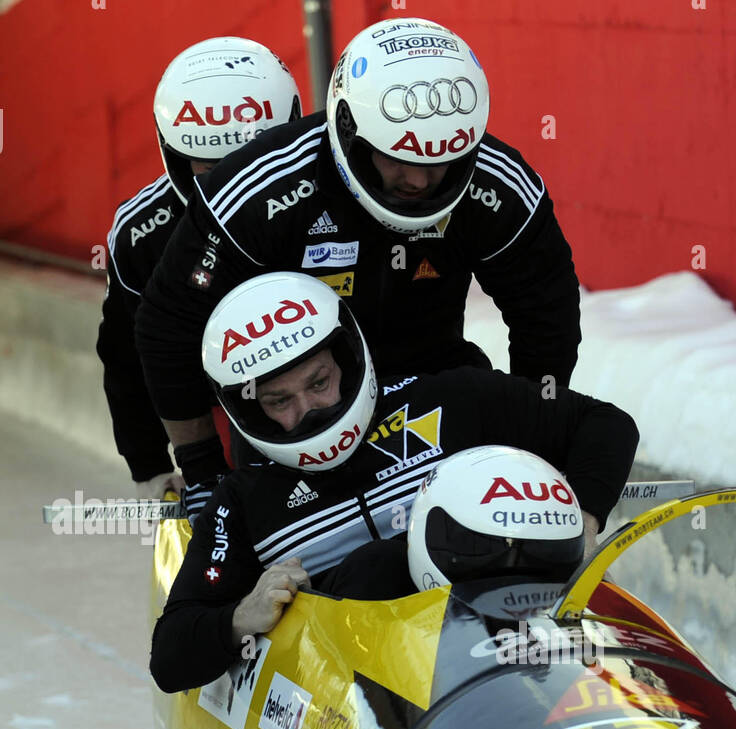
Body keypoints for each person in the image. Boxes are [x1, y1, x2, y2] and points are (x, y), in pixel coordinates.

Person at [135, 17, 582, 509]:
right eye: (398, 159)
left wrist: (536, 440)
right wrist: (202, 473)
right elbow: (168, 322)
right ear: (349, 129)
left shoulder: (501, 187)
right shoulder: (259, 189)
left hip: (434, 391)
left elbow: (547, 315)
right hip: (297, 419)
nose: (418, 180)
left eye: (441, 161)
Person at [149, 273, 636, 694]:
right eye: (279, 401)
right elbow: (170, 655)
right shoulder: (244, 502)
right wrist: (241, 617)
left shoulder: (452, 401)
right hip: (373, 703)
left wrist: (582, 523)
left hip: (523, 658)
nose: (308, 412)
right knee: (374, 569)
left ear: (347, 358)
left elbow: (604, 426)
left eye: (319, 382)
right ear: (248, 409)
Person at [95, 37, 300, 498]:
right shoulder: (139, 232)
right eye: (213, 168)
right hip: (217, 418)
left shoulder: (333, 191)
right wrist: (148, 465)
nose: (236, 186)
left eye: (250, 163)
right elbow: (126, 355)